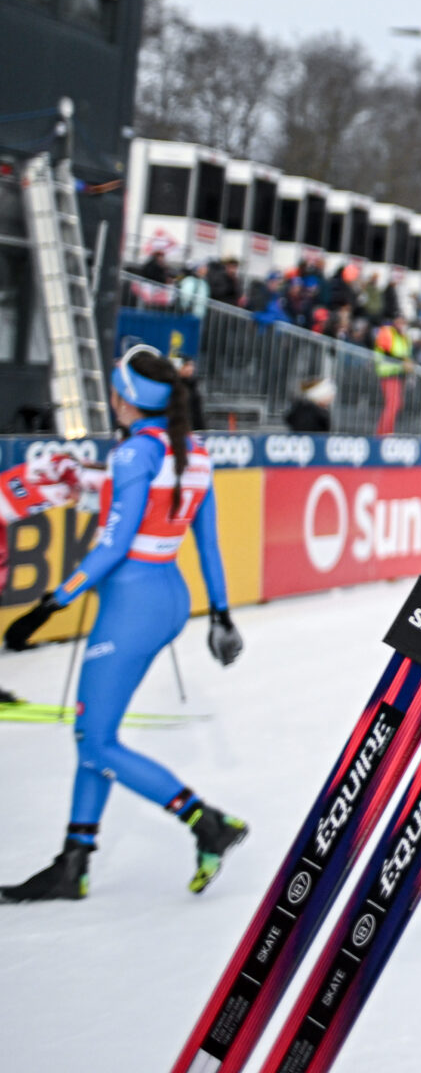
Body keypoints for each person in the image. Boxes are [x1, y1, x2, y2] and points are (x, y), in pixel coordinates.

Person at [1, 347, 248, 902]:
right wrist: (222, 616)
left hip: (131, 603)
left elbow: (112, 547)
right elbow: (208, 545)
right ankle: (73, 863)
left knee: (95, 740)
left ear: (124, 400)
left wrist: (47, 606)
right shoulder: (193, 450)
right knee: (98, 733)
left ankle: (207, 822)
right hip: (167, 598)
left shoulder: (135, 453)